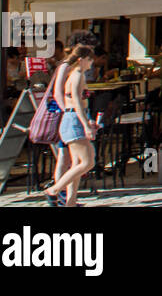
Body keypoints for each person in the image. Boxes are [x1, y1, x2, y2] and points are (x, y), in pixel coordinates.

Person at [44, 45, 98, 207]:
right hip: (73, 120)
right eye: (89, 59)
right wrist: (86, 125)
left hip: (75, 119)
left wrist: (88, 121)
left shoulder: (76, 75)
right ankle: (54, 189)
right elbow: (76, 102)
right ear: (81, 60)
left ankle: (70, 203)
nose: (92, 63)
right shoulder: (77, 75)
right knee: (88, 162)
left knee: (76, 164)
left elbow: (80, 103)